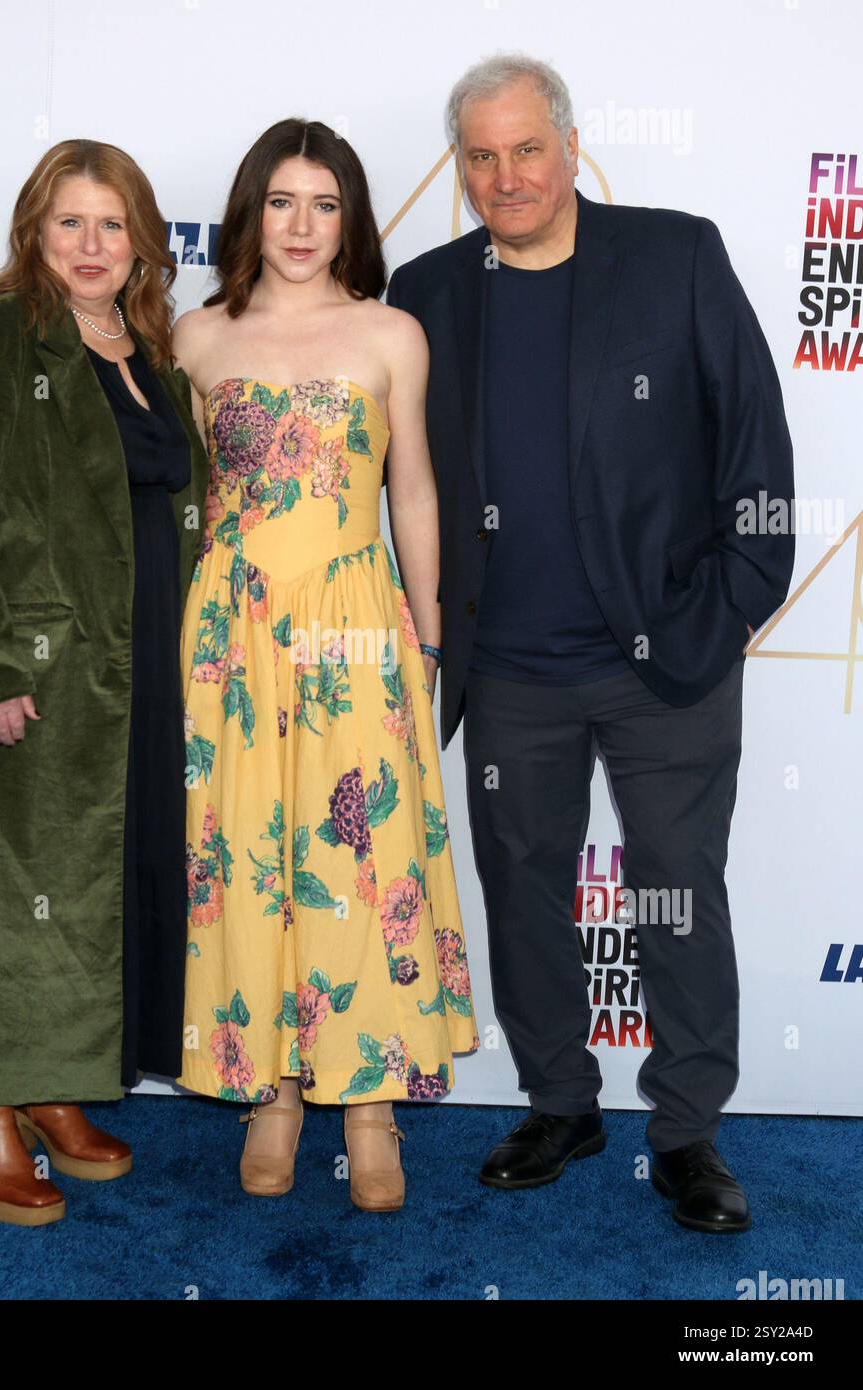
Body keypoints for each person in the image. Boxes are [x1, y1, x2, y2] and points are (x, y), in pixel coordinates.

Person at [386, 54, 794, 1233]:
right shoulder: (425, 291)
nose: (504, 176)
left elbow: (753, 449)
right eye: (480, 156)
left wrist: (723, 611)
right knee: (521, 892)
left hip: (664, 663)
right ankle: (559, 1101)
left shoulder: (673, 257)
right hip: (507, 670)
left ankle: (687, 1133)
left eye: (524, 149)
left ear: (567, 146)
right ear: (457, 167)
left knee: (676, 894)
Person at [0, 139, 209, 1225]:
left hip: (127, 675)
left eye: (110, 225)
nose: (90, 245)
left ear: (141, 242)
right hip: (22, 669)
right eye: (69, 222)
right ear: (34, 230)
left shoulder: (145, 348)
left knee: (76, 892)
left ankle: (52, 1086)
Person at [171, 118, 479, 1212]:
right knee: (250, 849)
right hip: (233, 630)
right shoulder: (194, 338)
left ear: (349, 218)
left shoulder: (389, 333)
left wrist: (427, 634)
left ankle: (368, 1102)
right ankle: (273, 1093)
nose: (300, 227)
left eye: (325, 205)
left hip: (356, 621)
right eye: (281, 202)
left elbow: (416, 493)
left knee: (361, 856)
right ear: (251, 210)